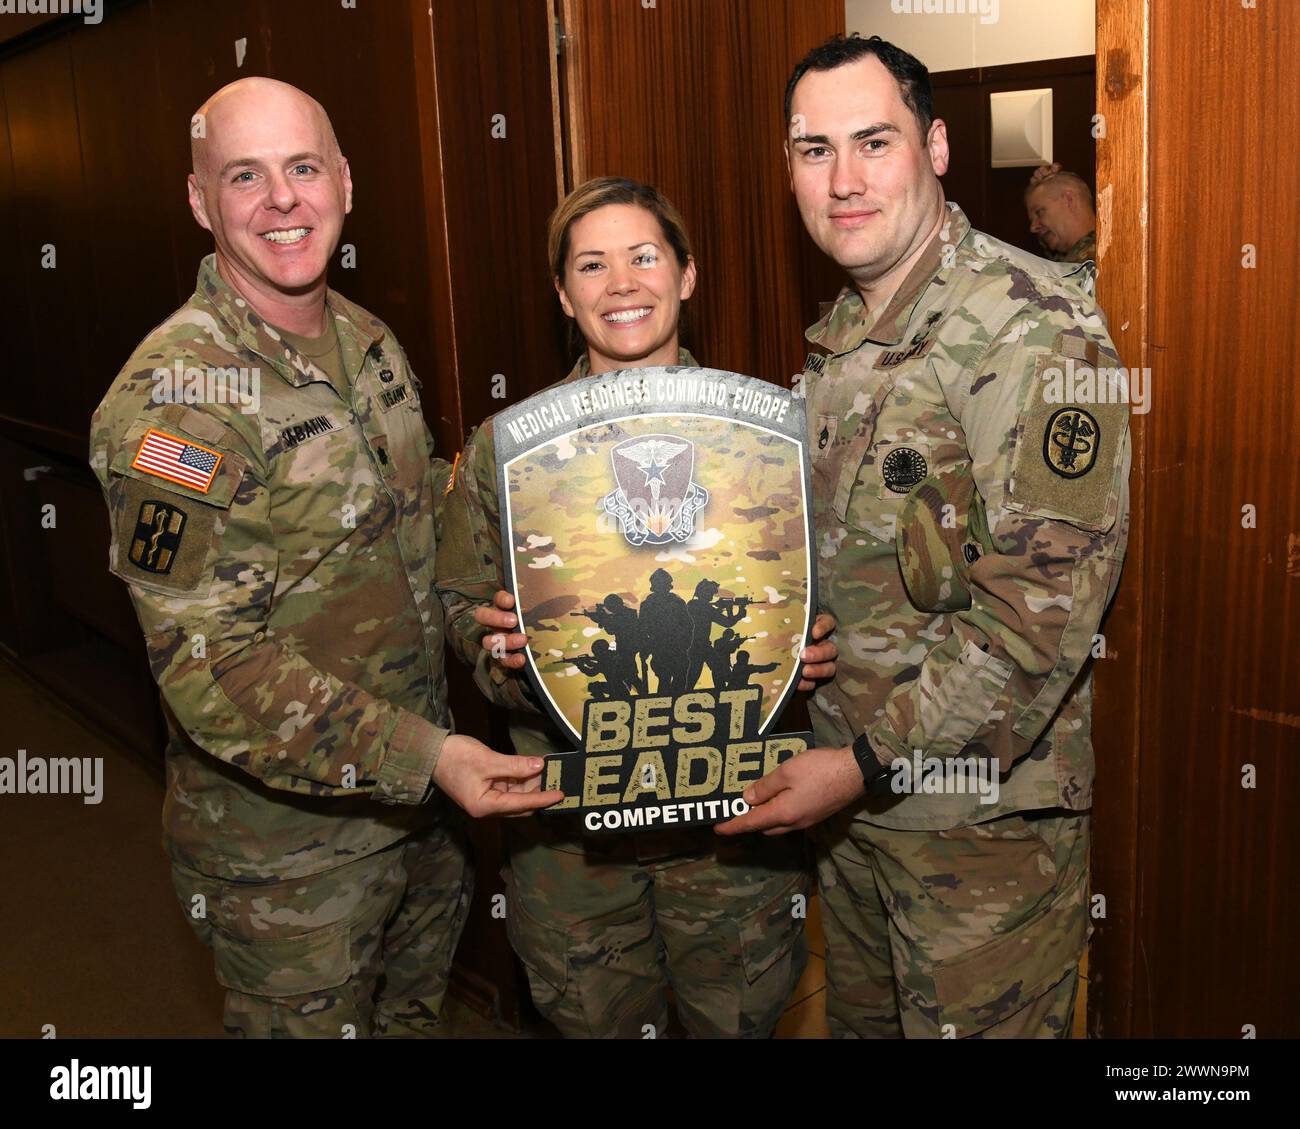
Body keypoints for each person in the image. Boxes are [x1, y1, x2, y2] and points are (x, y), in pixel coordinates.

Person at [89, 78, 558, 1038]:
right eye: (245, 177)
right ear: (198, 200)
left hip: (424, 815)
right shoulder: (177, 403)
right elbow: (210, 663)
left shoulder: (368, 340)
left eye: (303, 168)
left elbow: (422, 514)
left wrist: (504, 624)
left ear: (344, 180)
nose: (283, 201)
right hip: (289, 867)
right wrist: (430, 755)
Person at [719, 35, 1130, 1040]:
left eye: (874, 142)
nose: (844, 180)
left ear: (936, 147)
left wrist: (861, 760)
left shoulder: (1027, 326)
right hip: (855, 817)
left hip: (975, 833)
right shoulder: (845, 334)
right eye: (814, 151)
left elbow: (1034, 617)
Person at [436, 176, 837, 1038]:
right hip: (571, 832)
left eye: (643, 256)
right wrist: (497, 651)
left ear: (686, 276)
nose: (621, 282)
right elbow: (462, 602)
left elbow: (823, 592)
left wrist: (811, 653)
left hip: (735, 824)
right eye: (592, 264)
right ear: (563, 293)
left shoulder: (771, 435)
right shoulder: (505, 451)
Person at [1026, 163, 1098, 264]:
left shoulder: (1108, 258)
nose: (1033, 227)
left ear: (1069, 200)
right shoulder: (1071, 260)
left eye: (1039, 212)